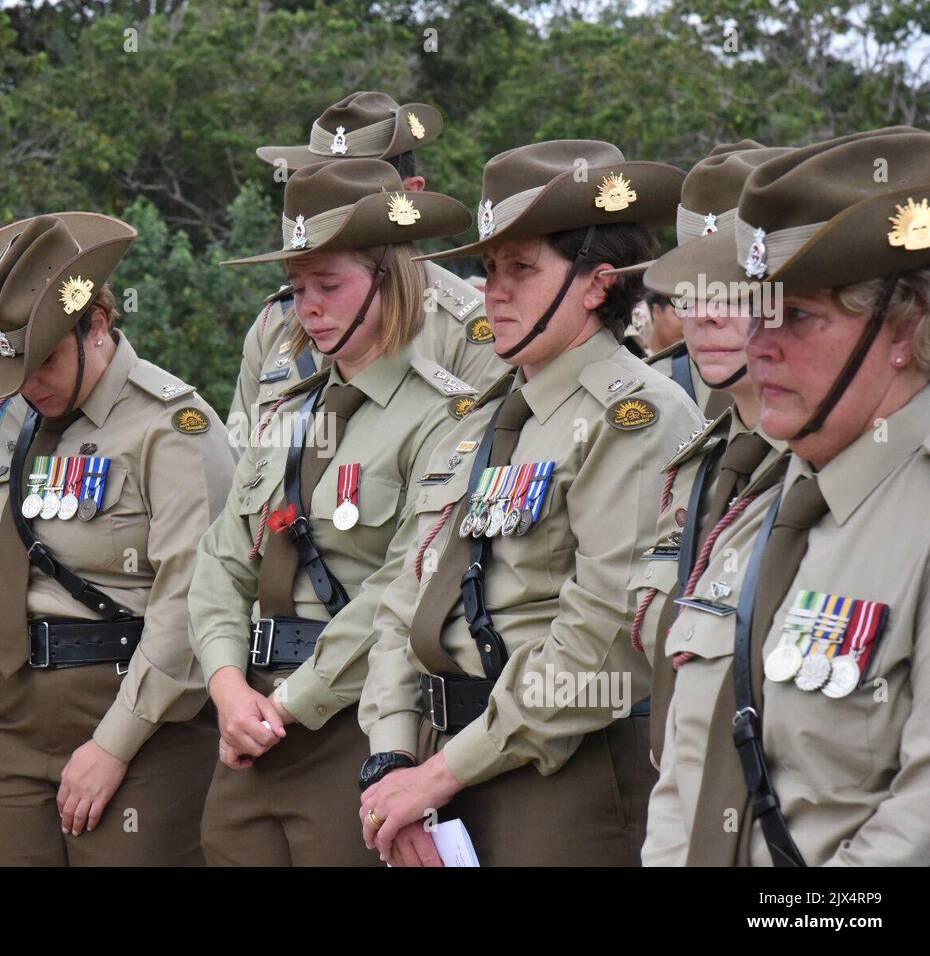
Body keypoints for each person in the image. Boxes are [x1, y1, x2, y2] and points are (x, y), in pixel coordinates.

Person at [357, 140, 703, 866]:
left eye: (520, 268)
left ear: (595, 284)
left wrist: (442, 772)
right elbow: (405, 594)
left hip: (556, 778)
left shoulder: (636, 414)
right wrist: (392, 758)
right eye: (487, 270)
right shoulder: (484, 417)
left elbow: (602, 634)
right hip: (434, 766)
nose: (494, 292)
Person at [0, 212, 234, 866]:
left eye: (45, 359)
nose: (28, 383)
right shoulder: (20, 416)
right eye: (13, 367)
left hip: (136, 715)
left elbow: (189, 603)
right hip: (9, 710)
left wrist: (114, 744)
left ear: (99, 327)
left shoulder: (173, 426)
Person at [645, 126, 930, 866]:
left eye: (797, 316)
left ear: (906, 328)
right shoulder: (764, 494)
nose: (759, 344)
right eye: (758, 310)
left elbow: (917, 824)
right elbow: (684, 771)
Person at [188, 159, 477, 866]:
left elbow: (399, 588)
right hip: (249, 729)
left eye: (328, 285)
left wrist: (286, 706)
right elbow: (222, 559)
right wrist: (228, 687)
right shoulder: (288, 410)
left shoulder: (446, 418)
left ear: (390, 278)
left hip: (350, 720)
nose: (307, 307)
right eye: (296, 289)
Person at [626, 141, 794, 766]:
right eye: (688, 291)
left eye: (732, 286)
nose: (705, 316)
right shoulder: (708, 458)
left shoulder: (827, 461)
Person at [230, 91, 505, 444]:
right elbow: (243, 462)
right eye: (316, 184)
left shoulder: (471, 329)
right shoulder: (275, 325)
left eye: (357, 186)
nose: (327, 203)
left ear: (411, 194)